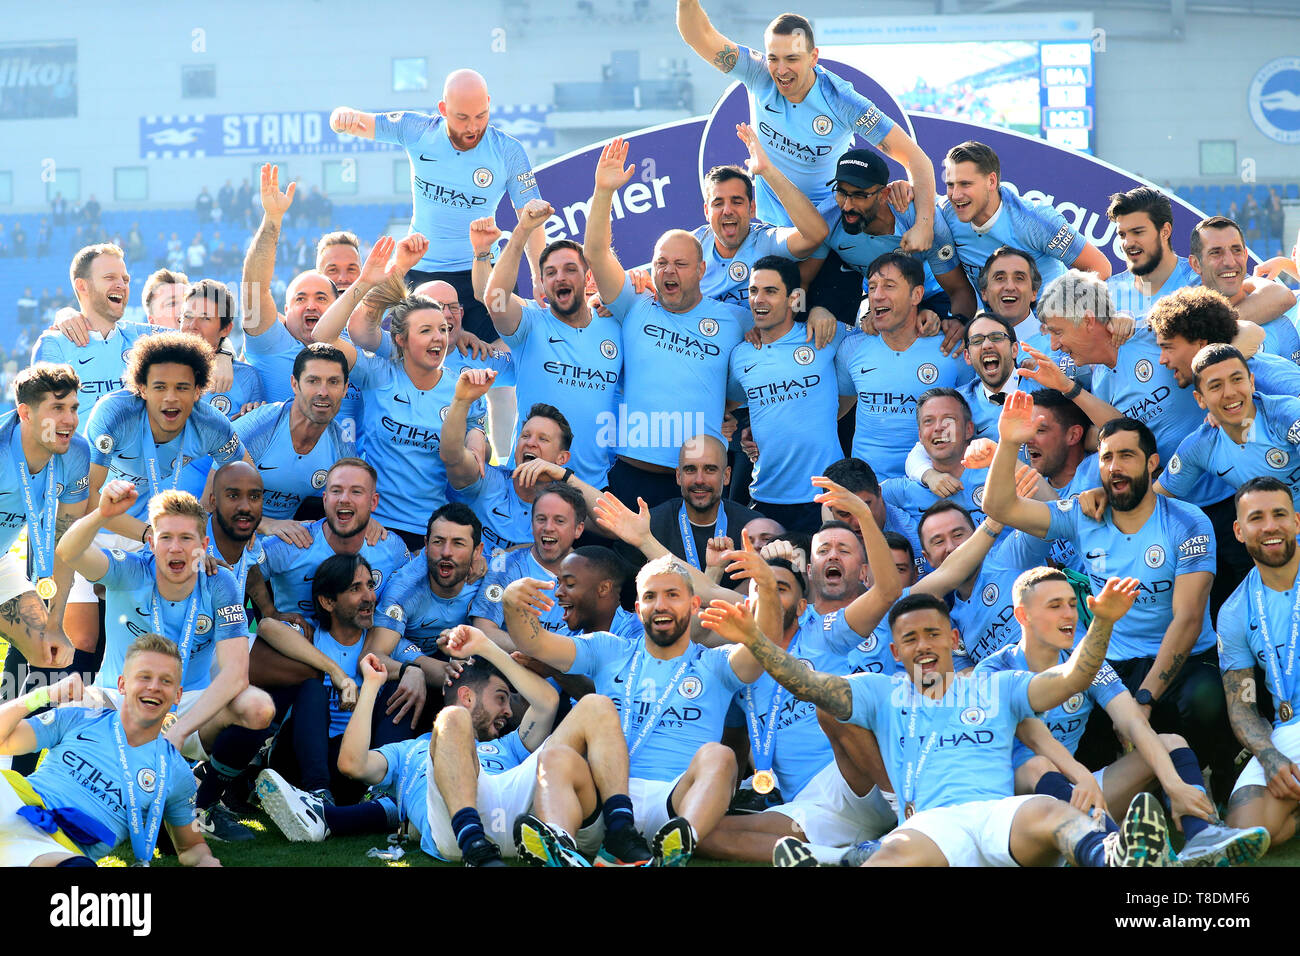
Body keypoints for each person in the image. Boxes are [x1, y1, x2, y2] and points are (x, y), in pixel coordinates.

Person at [708, 576, 1193, 867]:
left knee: (1050, 812)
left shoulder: (997, 685)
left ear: (952, 637)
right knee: (893, 856)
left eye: (933, 634)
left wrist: (1103, 622)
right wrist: (757, 641)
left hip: (998, 813)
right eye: (911, 638)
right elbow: (807, 685)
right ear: (894, 651)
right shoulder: (881, 691)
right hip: (932, 826)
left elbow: (1072, 676)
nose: (923, 645)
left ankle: (1116, 856)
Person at [983, 397, 1235, 798]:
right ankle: (1144, 786)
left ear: (1152, 463)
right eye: (1106, 458)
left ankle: (1218, 771)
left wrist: (1145, 698)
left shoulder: (1188, 521)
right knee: (1079, 729)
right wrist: (1008, 442)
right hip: (1108, 662)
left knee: (1205, 699)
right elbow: (999, 506)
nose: (1114, 467)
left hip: (1180, 659)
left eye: (1126, 456)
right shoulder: (1086, 514)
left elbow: (1187, 620)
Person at [978, 565, 1269, 866]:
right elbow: (1033, 740)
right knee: (1036, 764)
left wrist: (1173, 784)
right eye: (1055, 606)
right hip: (1019, 813)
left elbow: (1132, 720)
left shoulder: (1084, 662)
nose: (1069, 614)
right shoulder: (994, 671)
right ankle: (1110, 852)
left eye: (1070, 603)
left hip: (1078, 795)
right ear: (1022, 616)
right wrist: (1080, 775)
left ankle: (1203, 836)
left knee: (1169, 742)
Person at [500, 554, 772, 865]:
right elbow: (537, 644)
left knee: (720, 756)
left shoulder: (715, 662)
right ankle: (560, 846)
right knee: (556, 756)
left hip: (673, 802)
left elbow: (761, 653)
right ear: (638, 608)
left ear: (695, 605)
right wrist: (511, 603)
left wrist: (764, 589)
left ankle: (678, 847)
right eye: (650, 597)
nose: (661, 605)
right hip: (603, 799)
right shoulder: (609, 648)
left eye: (673, 595)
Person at [55, 485, 275, 840]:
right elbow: (68, 550)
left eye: (187, 538)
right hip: (119, 700)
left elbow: (236, 674)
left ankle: (201, 805)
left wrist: (179, 731)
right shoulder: (130, 570)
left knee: (258, 706)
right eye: (166, 537)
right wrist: (103, 514)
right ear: (151, 543)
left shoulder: (222, 585)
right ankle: (84, 802)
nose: (176, 548)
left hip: (188, 705)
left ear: (204, 547)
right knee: (75, 702)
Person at [584, 138, 754, 508]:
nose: (669, 271)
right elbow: (595, 253)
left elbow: (764, 367)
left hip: (699, 485)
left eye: (680, 264)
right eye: (661, 263)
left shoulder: (735, 321)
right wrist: (603, 192)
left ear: (702, 271)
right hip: (633, 474)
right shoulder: (634, 304)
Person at [676, 4, 937, 235]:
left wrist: (923, 226)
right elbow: (698, 35)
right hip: (773, 231)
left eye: (792, 59)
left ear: (813, 57)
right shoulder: (757, 73)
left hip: (829, 229)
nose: (781, 70)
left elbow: (917, 161)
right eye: (773, 59)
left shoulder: (842, 101)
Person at [329, 68, 545, 340]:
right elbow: (350, 121)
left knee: (499, 358)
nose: (473, 127)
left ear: (489, 103)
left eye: (481, 116)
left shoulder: (508, 151)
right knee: (415, 356)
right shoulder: (417, 129)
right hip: (422, 271)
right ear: (443, 109)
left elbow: (530, 216)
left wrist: (538, 274)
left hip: (483, 274)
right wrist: (340, 116)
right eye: (462, 117)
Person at [315, 249, 489, 549]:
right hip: (373, 528)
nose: (439, 337)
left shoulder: (464, 389)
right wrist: (366, 282)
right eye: (426, 330)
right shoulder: (378, 373)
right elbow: (322, 338)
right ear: (400, 339)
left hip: (431, 535)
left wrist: (475, 445)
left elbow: (470, 473)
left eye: (444, 330)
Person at [0, 635, 219, 867]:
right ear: (122, 684)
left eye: (166, 681)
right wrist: (45, 694)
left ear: (178, 695)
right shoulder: (80, 717)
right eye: (144, 677)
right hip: (12, 806)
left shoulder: (176, 773)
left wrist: (207, 861)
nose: (154, 687)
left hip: (58, 849)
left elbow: (192, 847)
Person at [480, 206, 624, 489]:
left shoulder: (616, 325)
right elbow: (495, 300)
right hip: (528, 483)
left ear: (588, 278)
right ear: (543, 285)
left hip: (594, 488)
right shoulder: (531, 323)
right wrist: (521, 232)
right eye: (550, 273)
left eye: (570, 269)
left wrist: (644, 286)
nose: (560, 277)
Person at [727, 256, 854, 530]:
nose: (758, 299)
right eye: (753, 291)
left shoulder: (824, 334)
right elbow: (732, 403)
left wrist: (822, 310)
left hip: (826, 494)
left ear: (794, 298)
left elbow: (861, 369)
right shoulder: (741, 354)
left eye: (770, 291)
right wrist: (749, 427)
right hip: (766, 497)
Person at [84, 332, 247, 543]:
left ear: (198, 391)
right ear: (142, 389)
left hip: (151, 531)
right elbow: (85, 494)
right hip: (92, 522)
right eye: (160, 387)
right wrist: (148, 533)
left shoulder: (210, 425)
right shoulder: (116, 413)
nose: (171, 397)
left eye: (182, 387)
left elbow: (246, 479)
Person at [837, 253, 975, 480]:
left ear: (917, 294)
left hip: (935, 487)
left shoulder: (953, 349)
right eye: (872, 287)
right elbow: (835, 408)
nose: (877, 296)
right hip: (870, 491)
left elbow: (973, 416)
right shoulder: (851, 348)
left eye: (889, 286)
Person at [1218, 477, 1300, 851]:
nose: (1270, 527)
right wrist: (1270, 758)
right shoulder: (1235, 611)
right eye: (1257, 518)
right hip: (1290, 729)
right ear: (1239, 530)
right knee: (1244, 834)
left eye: (1280, 514)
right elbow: (1242, 708)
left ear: (1296, 521)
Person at [804, 148, 975, 327]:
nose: (847, 205)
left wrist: (958, 323)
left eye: (859, 195)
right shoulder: (826, 220)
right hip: (880, 300)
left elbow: (959, 290)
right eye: (841, 192)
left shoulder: (919, 219)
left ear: (884, 195)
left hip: (932, 298)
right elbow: (803, 281)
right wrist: (818, 308)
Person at [442, 369, 600, 556]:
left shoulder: (564, 505)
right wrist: (462, 401)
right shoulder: (489, 480)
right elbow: (452, 456)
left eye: (543, 439)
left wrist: (562, 474)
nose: (530, 442)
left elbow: (612, 527)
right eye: (525, 435)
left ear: (562, 459)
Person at [365, 503, 488, 732]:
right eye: (438, 541)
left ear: (477, 551)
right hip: (410, 663)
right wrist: (411, 669)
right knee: (402, 692)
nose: (446, 552)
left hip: (456, 662)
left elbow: (518, 557)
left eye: (458, 543)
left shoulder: (490, 575)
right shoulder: (404, 590)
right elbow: (373, 654)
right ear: (425, 544)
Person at [0, 364, 88, 673]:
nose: (70, 420)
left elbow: (65, 544)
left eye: (74, 408)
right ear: (25, 413)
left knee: (48, 649)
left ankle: (6, 720)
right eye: (58, 408)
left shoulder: (76, 454)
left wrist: (54, 623)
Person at [940, 141, 1111, 296]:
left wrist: (1063, 311)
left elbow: (1100, 266)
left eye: (965, 184)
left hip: (1051, 324)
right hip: (997, 327)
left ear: (991, 182)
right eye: (950, 185)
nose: (955, 195)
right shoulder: (945, 213)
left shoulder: (1036, 220)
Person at [260, 458, 410, 626]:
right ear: (325, 499)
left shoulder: (391, 548)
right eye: (336, 491)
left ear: (373, 502)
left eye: (356, 492)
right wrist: (269, 611)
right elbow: (237, 572)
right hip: (292, 647)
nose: (344, 499)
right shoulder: (290, 542)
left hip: (361, 648)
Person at [691, 124, 828, 306]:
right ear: (707, 212)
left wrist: (767, 171)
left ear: (752, 208)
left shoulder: (766, 241)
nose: (728, 210)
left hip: (766, 334)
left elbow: (815, 235)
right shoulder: (692, 247)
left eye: (737, 201)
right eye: (718, 203)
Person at [1160, 344, 1300, 508]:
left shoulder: (1287, 414)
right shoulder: (1202, 446)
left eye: (1237, 379)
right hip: (1271, 531)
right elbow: (1152, 501)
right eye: (1216, 386)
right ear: (1200, 399)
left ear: (1251, 382)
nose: (1230, 393)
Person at [233, 343, 354, 531]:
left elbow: (350, 510)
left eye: (333, 382)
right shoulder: (259, 426)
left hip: (281, 542)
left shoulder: (342, 446)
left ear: (345, 388)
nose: (323, 392)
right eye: (313, 381)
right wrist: (268, 525)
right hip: (225, 533)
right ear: (295, 384)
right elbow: (211, 503)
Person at [31, 244, 152, 430]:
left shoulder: (143, 337)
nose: (121, 284)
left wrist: (215, 356)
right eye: (109, 277)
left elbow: (198, 340)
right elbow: (45, 424)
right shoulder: (54, 345)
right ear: (82, 285)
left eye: (125, 279)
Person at [630, 435, 764, 589]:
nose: (699, 480)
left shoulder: (752, 529)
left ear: (726, 476)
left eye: (710, 469)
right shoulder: (650, 527)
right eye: (690, 469)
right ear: (679, 476)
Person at [471, 482, 588, 647]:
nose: (548, 528)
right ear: (532, 524)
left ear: (578, 529)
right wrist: (538, 653)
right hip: (514, 666)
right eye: (541, 519)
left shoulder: (591, 573)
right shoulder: (504, 566)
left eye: (559, 521)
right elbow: (484, 629)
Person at [1189, 216, 1299, 363]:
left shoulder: (1280, 326)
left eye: (1236, 250)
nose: (1229, 261)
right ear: (1196, 264)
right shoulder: (1183, 322)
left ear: (1246, 256)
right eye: (1216, 252)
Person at [1104, 187, 1199, 321]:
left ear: (1165, 231)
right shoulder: (1109, 293)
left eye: (1138, 232)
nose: (1128, 243)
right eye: (1122, 234)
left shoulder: (1200, 281)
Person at [179, 279, 264, 422]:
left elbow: (256, 438)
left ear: (225, 329)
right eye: (187, 316)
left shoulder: (246, 378)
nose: (193, 325)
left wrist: (247, 422)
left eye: (205, 318)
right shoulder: (157, 365)